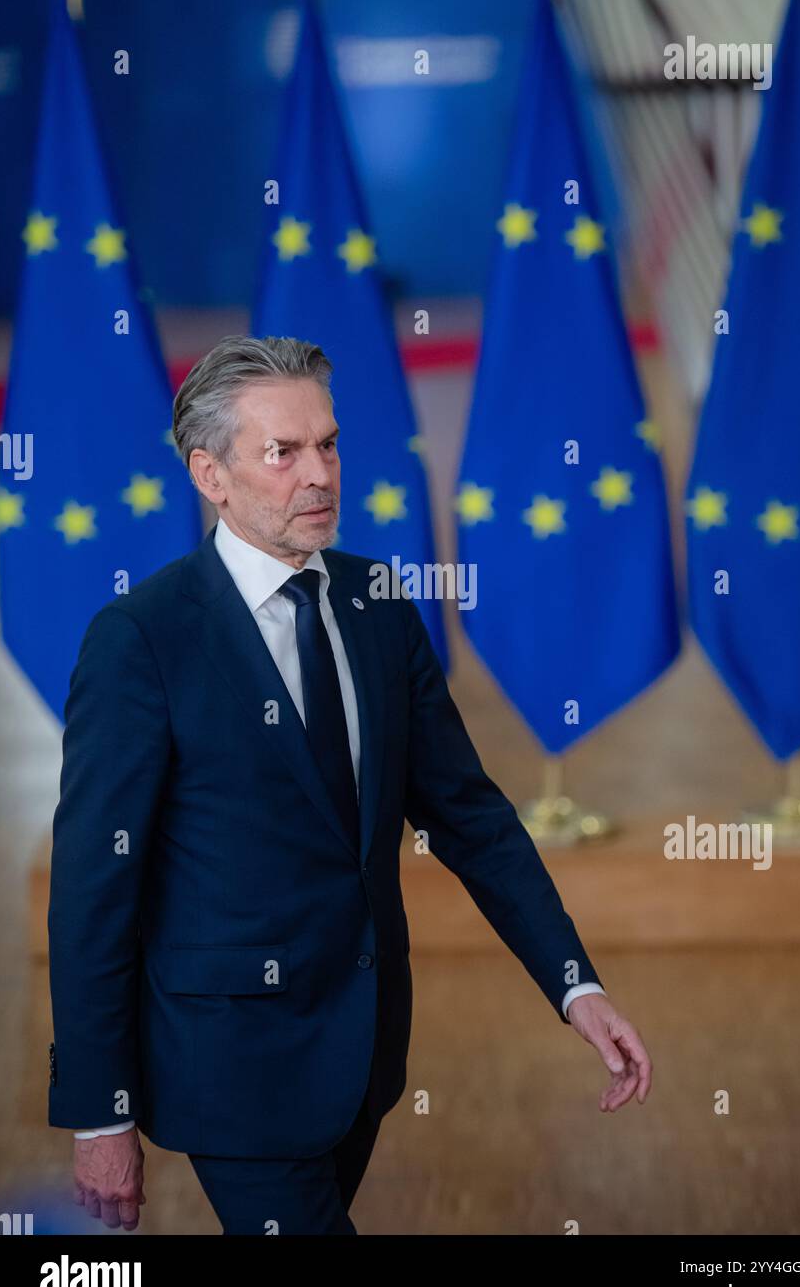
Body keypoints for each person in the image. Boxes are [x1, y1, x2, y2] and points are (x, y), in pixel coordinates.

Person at [47, 335, 652, 1235]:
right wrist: (102, 1113)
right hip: (234, 1072)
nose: (319, 474)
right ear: (210, 475)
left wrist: (575, 984)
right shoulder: (142, 640)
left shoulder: (378, 605)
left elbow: (469, 817)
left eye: (327, 445)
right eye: (282, 453)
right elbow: (95, 888)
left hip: (363, 1055)